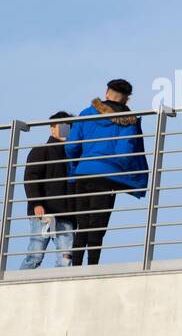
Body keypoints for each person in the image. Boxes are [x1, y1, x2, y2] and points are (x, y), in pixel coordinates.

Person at [66, 78, 149, 266]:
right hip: (106, 178)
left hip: (83, 174)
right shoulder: (128, 121)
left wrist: (77, 165)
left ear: (106, 93)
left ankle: (75, 267)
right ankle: (92, 267)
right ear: (126, 100)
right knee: (98, 224)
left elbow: (71, 146)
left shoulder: (86, 114)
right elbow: (125, 153)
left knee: (82, 224)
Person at [19, 111, 74, 269]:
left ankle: (60, 292)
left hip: (66, 216)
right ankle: (14, 291)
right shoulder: (40, 151)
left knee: (66, 260)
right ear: (52, 129)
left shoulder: (73, 157)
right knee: (34, 257)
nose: (66, 131)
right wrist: (36, 203)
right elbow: (31, 178)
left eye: (69, 127)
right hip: (44, 213)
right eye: (62, 127)